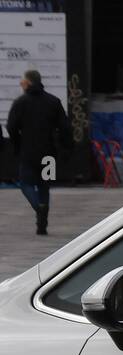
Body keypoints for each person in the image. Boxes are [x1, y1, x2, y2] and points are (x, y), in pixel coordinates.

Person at [6, 70, 71, 235]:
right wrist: (66, 147)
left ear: (28, 83)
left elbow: (11, 127)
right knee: (44, 185)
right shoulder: (54, 102)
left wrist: (17, 143)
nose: (21, 83)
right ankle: (42, 220)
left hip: (27, 152)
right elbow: (64, 127)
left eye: (23, 80)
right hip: (49, 152)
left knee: (25, 184)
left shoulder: (20, 102)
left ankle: (39, 211)